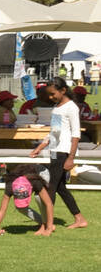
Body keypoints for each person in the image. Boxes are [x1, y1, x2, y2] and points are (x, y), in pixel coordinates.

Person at [29, 77, 86, 232]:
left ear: (63, 90)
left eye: (53, 94)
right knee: (60, 187)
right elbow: (53, 132)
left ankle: (47, 224)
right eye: (49, 94)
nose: (51, 97)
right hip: (54, 151)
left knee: (51, 187)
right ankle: (79, 219)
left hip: (64, 152)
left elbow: (76, 134)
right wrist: (40, 147)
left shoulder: (71, 107)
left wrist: (71, 158)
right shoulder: (56, 108)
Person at [0, 164, 52, 236]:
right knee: (21, 207)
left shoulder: (35, 182)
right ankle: (43, 223)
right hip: (25, 175)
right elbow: (2, 210)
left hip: (41, 172)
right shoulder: (10, 186)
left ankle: (46, 225)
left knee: (38, 198)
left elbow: (49, 204)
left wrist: (49, 229)